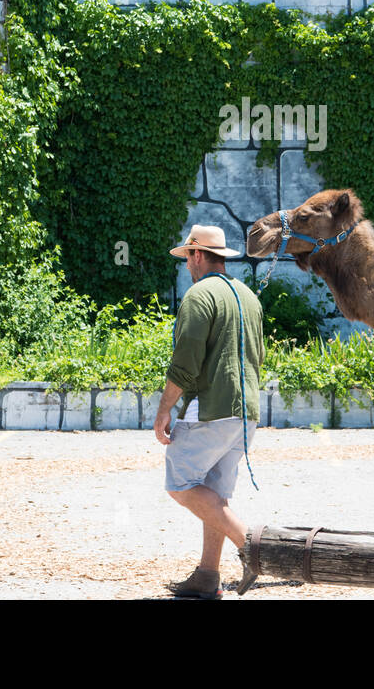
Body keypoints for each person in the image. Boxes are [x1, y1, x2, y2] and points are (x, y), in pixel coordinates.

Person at [153, 224, 264, 599]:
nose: (187, 264)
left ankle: (253, 548)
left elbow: (185, 360)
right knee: (215, 490)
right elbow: (258, 356)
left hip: (212, 408)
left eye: (187, 257)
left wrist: (164, 409)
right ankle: (207, 577)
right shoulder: (248, 297)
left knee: (179, 483)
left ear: (197, 255)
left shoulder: (199, 296)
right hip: (246, 412)